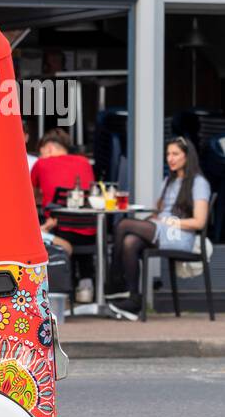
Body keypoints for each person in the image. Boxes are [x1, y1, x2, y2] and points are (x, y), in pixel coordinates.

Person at [112, 137, 213, 313]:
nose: (170, 158)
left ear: (187, 156)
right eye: (168, 154)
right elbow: (159, 212)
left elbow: (199, 222)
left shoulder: (199, 183)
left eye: (175, 154)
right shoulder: (169, 181)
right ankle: (135, 299)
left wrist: (167, 221)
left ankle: (113, 282)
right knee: (130, 241)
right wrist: (155, 219)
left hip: (180, 236)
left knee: (124, 224)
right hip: (162, 229)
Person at [30, 128, 96, 298]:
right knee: (76, 227)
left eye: (42, 151)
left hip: (59, 231)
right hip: (91, 229)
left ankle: (61, 289)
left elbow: (30, 196)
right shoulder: (85, 162)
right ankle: (86, 284)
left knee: (47, 226)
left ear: (49, 148)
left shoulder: (41, 164)